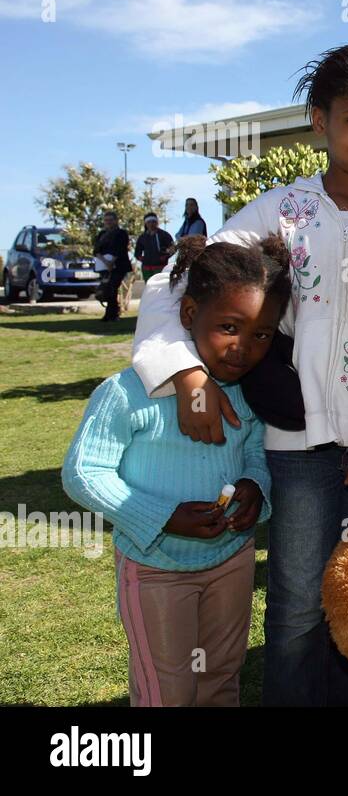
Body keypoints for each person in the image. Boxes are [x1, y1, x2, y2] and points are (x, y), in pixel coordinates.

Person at [131, 44, 348, 707]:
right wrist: (187, 372)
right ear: (319, 121)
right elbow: (181, 278)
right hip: (298, 450)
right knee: (299, 603)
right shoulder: (281, 210)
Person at [63, 237, 289, 705]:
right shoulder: (127, 393)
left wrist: (254, 487)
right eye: (229, 327)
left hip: (232, 562)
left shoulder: (247, 392)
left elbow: (255, 454)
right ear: (188, 315)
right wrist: (163, 516)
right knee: (167, 689)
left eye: (261, 334)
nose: (242, 348)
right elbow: (84, 473)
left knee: (221, 677)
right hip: (155, 572)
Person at [93, 210, 131, 322]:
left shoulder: (121, 233)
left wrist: (111, 262)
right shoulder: (102, 234)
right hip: (104, 265)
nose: (108, 222)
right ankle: (109, 314)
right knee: (107, 289)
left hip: (118, 265)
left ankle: (113, 314)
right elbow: (96, 250)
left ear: (116, 221)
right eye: (106, 220)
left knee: (113, 288)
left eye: (110, 220)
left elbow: (120, 249)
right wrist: (105, 261)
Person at [134, 212, 175, 283]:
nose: (151, 224)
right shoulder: (142, 237)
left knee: (160, 287)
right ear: (146, 223)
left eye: (153, 222)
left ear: (157, 222)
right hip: (146, 268)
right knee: (149, 287)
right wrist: (143, 259)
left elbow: (173, 248)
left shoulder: (164, 235)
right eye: (149, 222)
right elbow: (137, 252)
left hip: (160, 267)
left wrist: (165, 257)